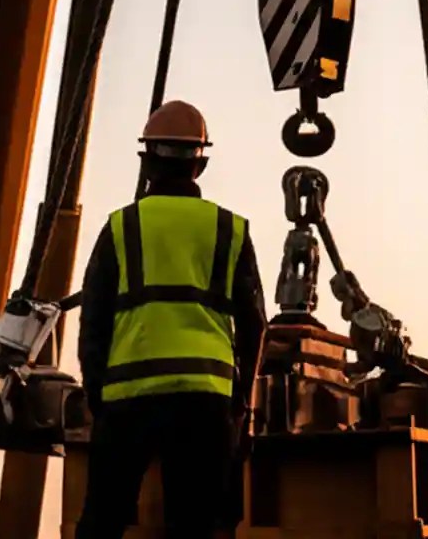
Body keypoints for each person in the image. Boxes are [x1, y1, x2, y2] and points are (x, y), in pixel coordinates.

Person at [75, 100, 268, 539]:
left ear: (146, 161)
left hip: (128, 399)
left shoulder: (121, 227)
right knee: (194, 527)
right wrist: (242, 405)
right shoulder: (229, 230)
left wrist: (98, 399)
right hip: (206, 402)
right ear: (201, 165)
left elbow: (94, 321)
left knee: (102, 522)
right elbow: (254, 324)